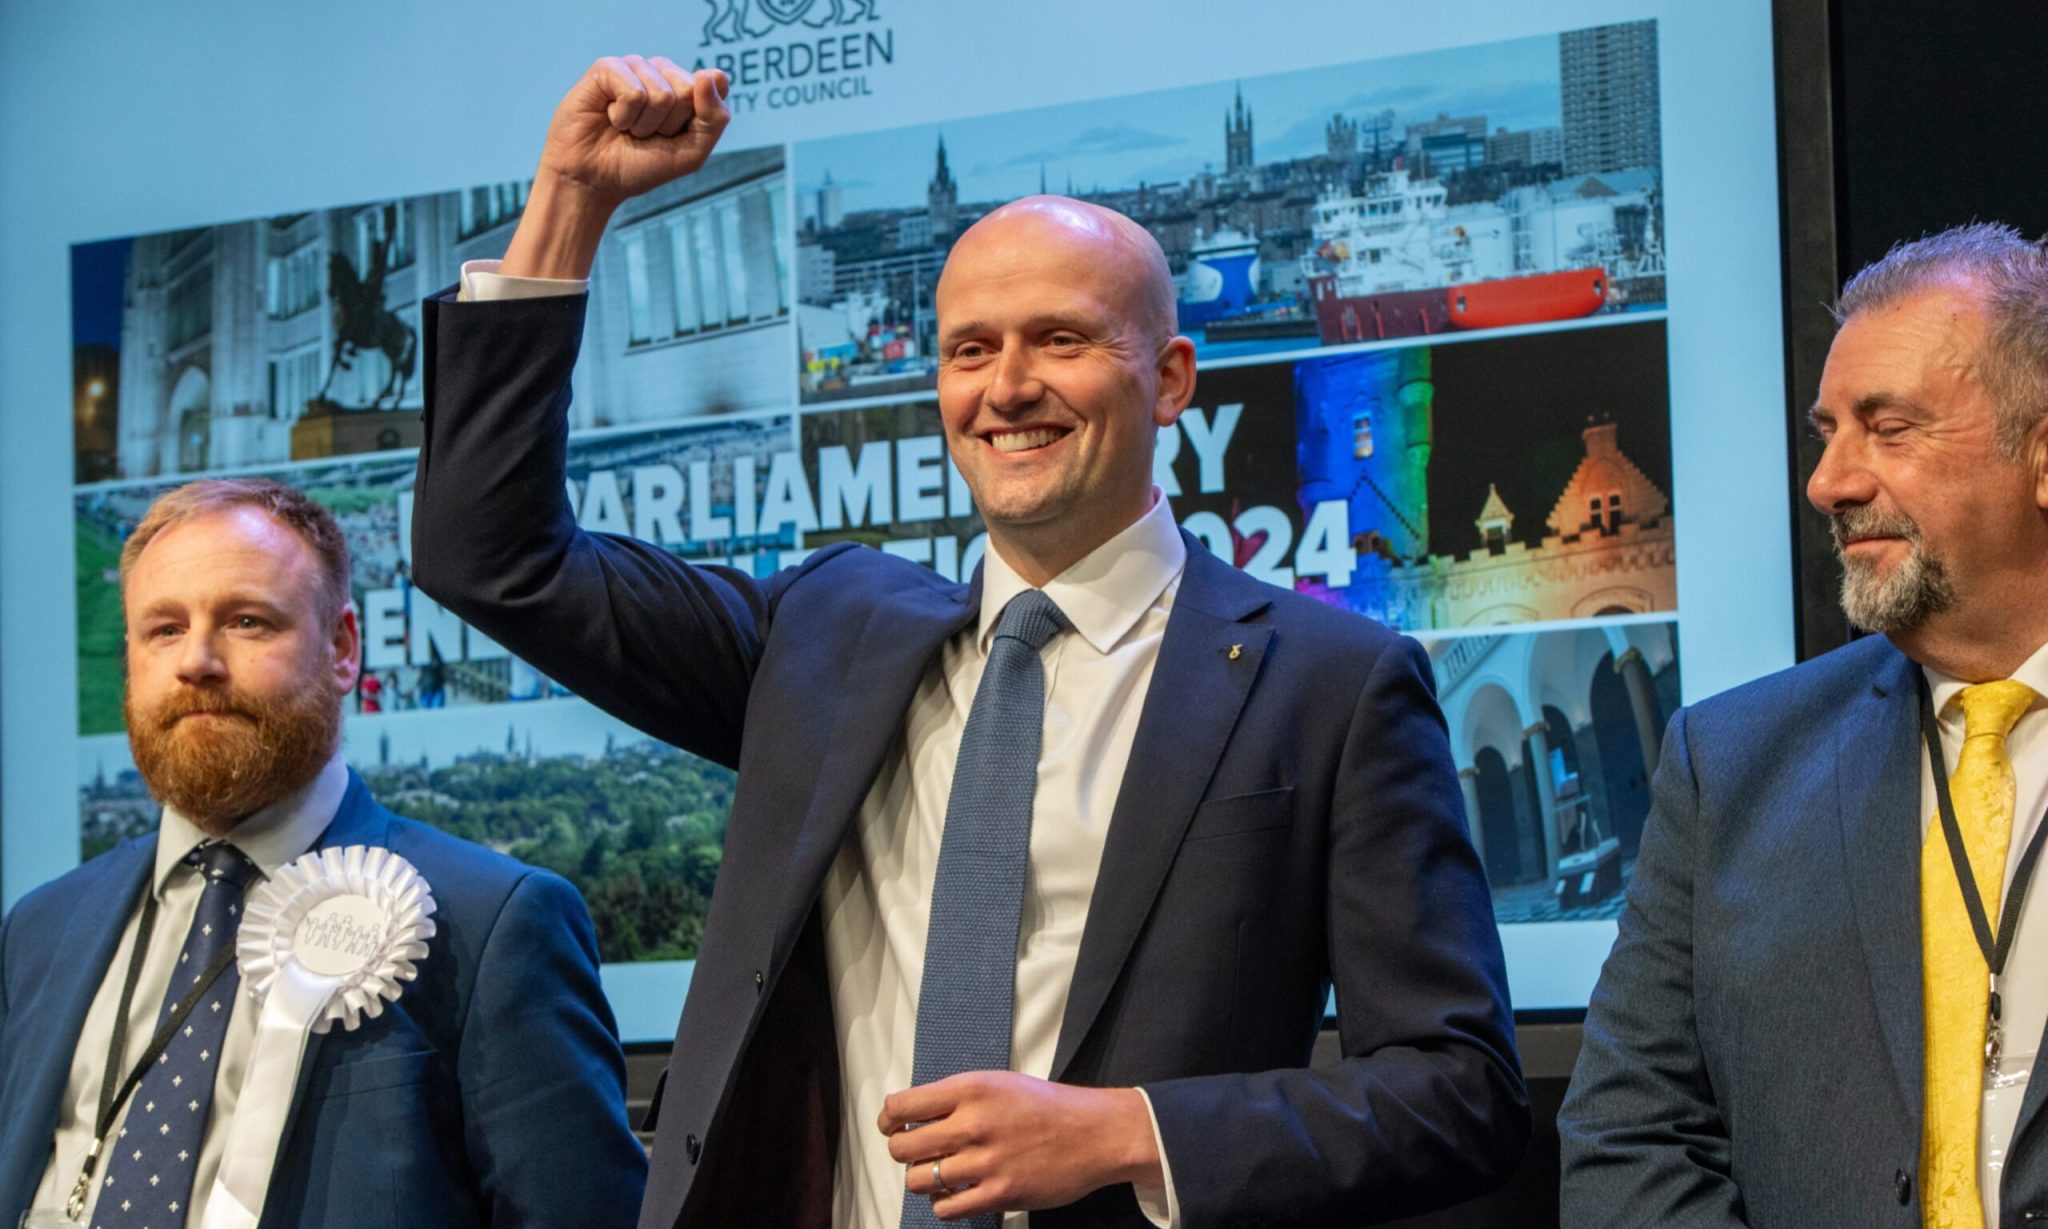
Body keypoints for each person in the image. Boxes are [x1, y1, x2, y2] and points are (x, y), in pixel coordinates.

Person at [411, 57, 1526, 1229]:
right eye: (968, 349)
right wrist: (569, 203)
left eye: (1058, 339)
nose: (1006, 387)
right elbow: (492, 554)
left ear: (1169, 378)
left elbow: (1457, 1089)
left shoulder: (1329, 684)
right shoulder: (823, 637)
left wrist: (1126, 1133)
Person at [1558, 223, 2048, 1228]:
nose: (1829, 480)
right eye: (1825, 431)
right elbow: (1627, 1135)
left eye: (1888, 426)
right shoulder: (1728, 764)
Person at [0, 478, 648, 1228]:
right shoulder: (41, 931)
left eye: (246, 621)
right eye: (164, 629)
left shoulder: (497, 925)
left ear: (342, 650)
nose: (197, 660)